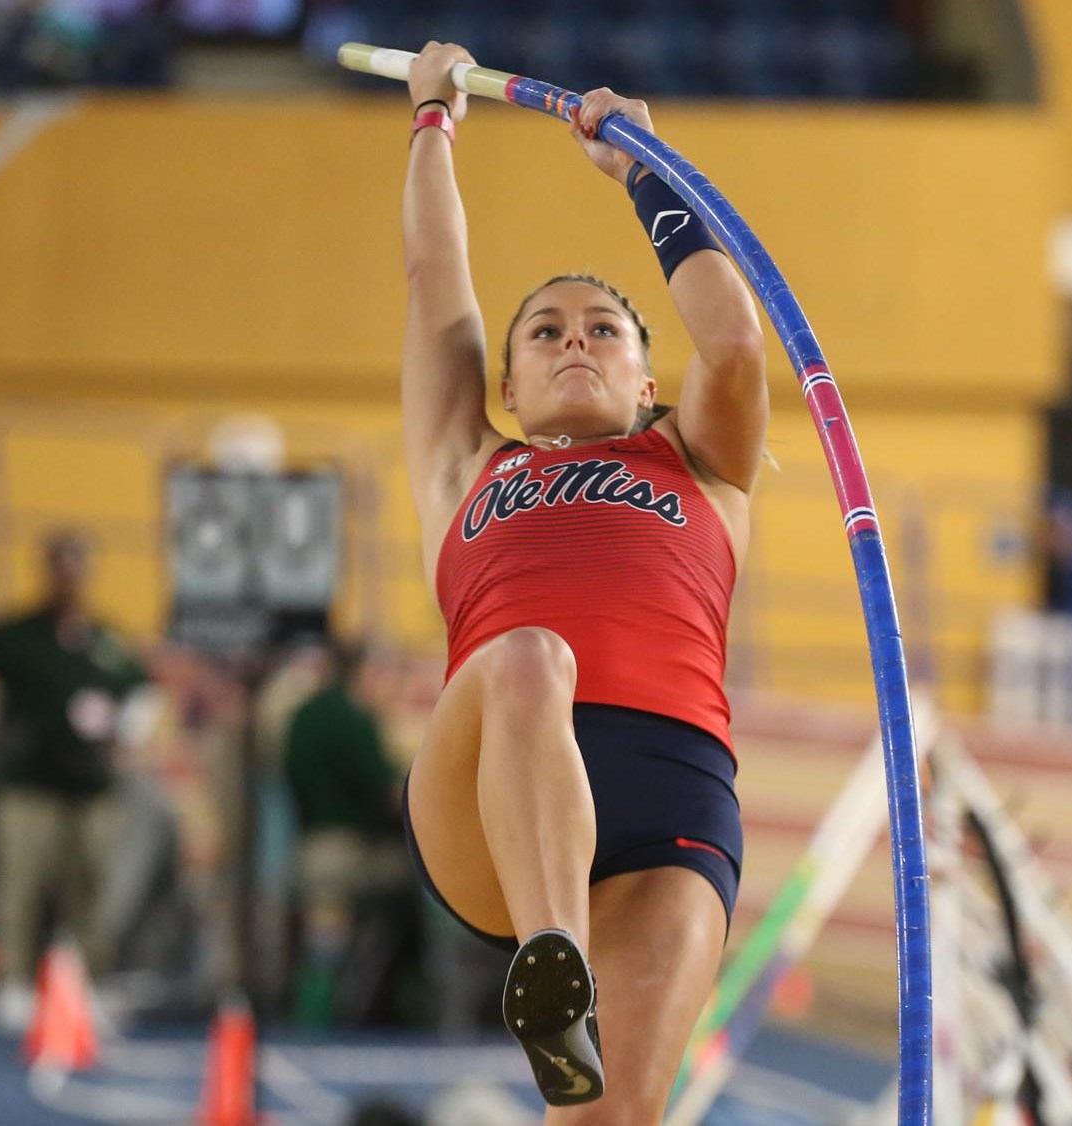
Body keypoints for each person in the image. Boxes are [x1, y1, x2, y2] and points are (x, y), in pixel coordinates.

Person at [396, 43, 768, 1116]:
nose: (574, 343)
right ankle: (551, 960)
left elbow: (738, 341)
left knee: (611, 1117)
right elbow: (433, 285)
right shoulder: (468, 464)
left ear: (645, 377)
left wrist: (646, 168)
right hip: (490, 788)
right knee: (526, 655)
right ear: (503, 380)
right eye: (545, 332)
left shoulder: (700, 462)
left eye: (602, 331)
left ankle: (565, 1002)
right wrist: (432, 121)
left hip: (673, 796)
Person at [0, 529, 150, 1033]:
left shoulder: (104, 639)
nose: (69, 577)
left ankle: (86, 984)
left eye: (77, 566)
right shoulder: (17, 635)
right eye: (60, 565)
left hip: (89, 785)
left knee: (90, 886)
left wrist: (126, 737)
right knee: (19, 884)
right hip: (29, 783)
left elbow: (141, 692)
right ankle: (12, 982)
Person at [282, 640, 406, 1027]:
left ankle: (313, 1015)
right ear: (362, 674)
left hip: (306, 847)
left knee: (324, 936)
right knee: (424, 885)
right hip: (346, 852)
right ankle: (428, 999)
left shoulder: (302, 714)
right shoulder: (354, 718)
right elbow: (389, 795)